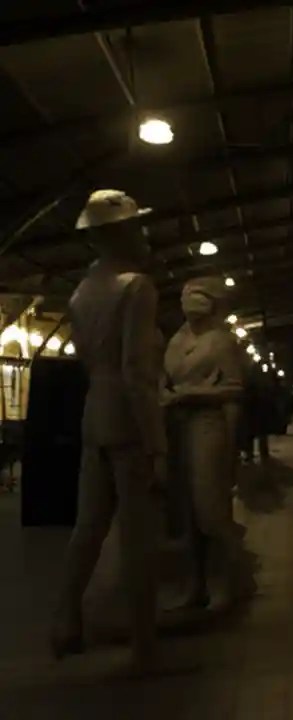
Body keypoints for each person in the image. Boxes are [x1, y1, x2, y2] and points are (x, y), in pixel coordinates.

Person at [52, 190, 166, 675]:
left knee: (88, 527)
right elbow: (137, 371)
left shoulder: (81, 293)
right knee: (138, 536)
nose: (142, 234)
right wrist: (156, 441)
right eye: (136, 226)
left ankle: (65, 620)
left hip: (93, 415)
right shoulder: (136, 287)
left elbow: (87, 361)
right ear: (119, 234)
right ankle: (144, 647)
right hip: (128, 420)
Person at [163, 277, 251, 609]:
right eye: (186, 295)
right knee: (186, 513)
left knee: (210, 510)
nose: (191, 301)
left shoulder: (222, 342)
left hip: (207, 425)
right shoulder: (176, 340)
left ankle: (231, 581)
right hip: (178, 427)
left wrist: (191, 394)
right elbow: (165, 377)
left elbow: (234, 388)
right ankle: (195, 585)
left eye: (199, 296)